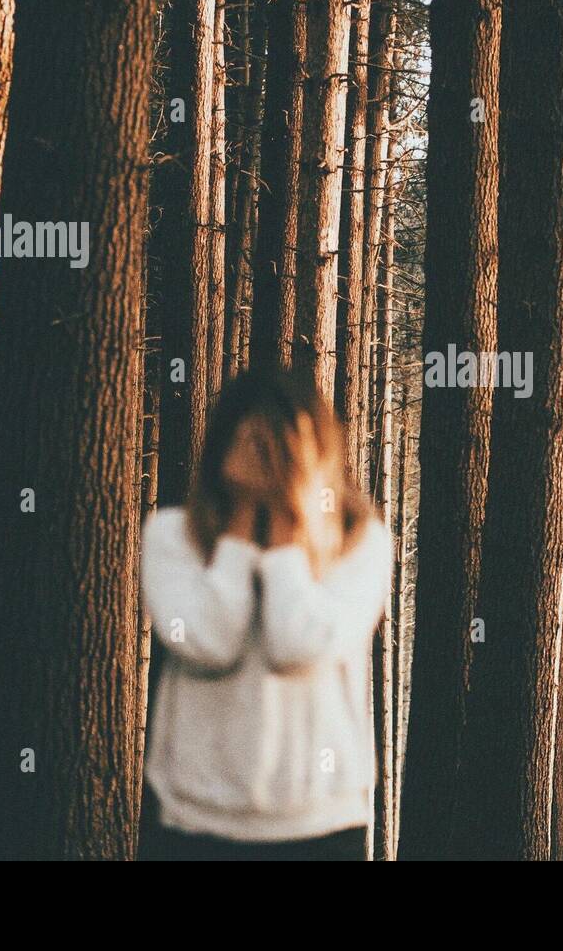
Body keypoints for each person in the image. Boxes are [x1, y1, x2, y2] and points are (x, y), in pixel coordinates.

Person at [138, 366, 391, 861]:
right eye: (251, 441)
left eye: (280, 443)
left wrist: (284, 533)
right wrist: (238, 527)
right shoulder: (173, 536)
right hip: (194, 819)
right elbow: (209, 640)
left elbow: (298, 646)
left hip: (320, 822)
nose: (266, 458)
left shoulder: (360, 540)